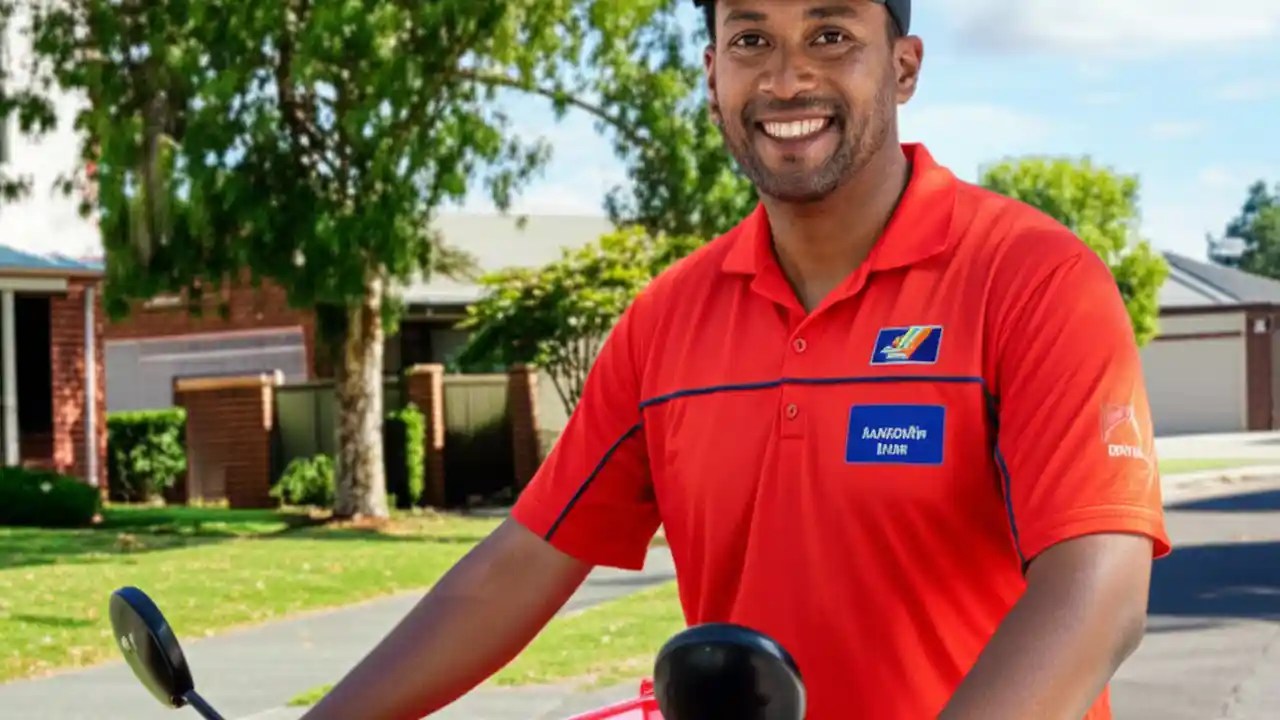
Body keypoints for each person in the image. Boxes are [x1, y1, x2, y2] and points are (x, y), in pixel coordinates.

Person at [301, 1, 1171, 718]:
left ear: (903, 67)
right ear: (714, 76)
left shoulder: (1033, 279)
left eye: (830, 36)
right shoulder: (667, 319)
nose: (787, 78)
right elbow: (523, 560)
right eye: (751, 40)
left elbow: (1096, 594)